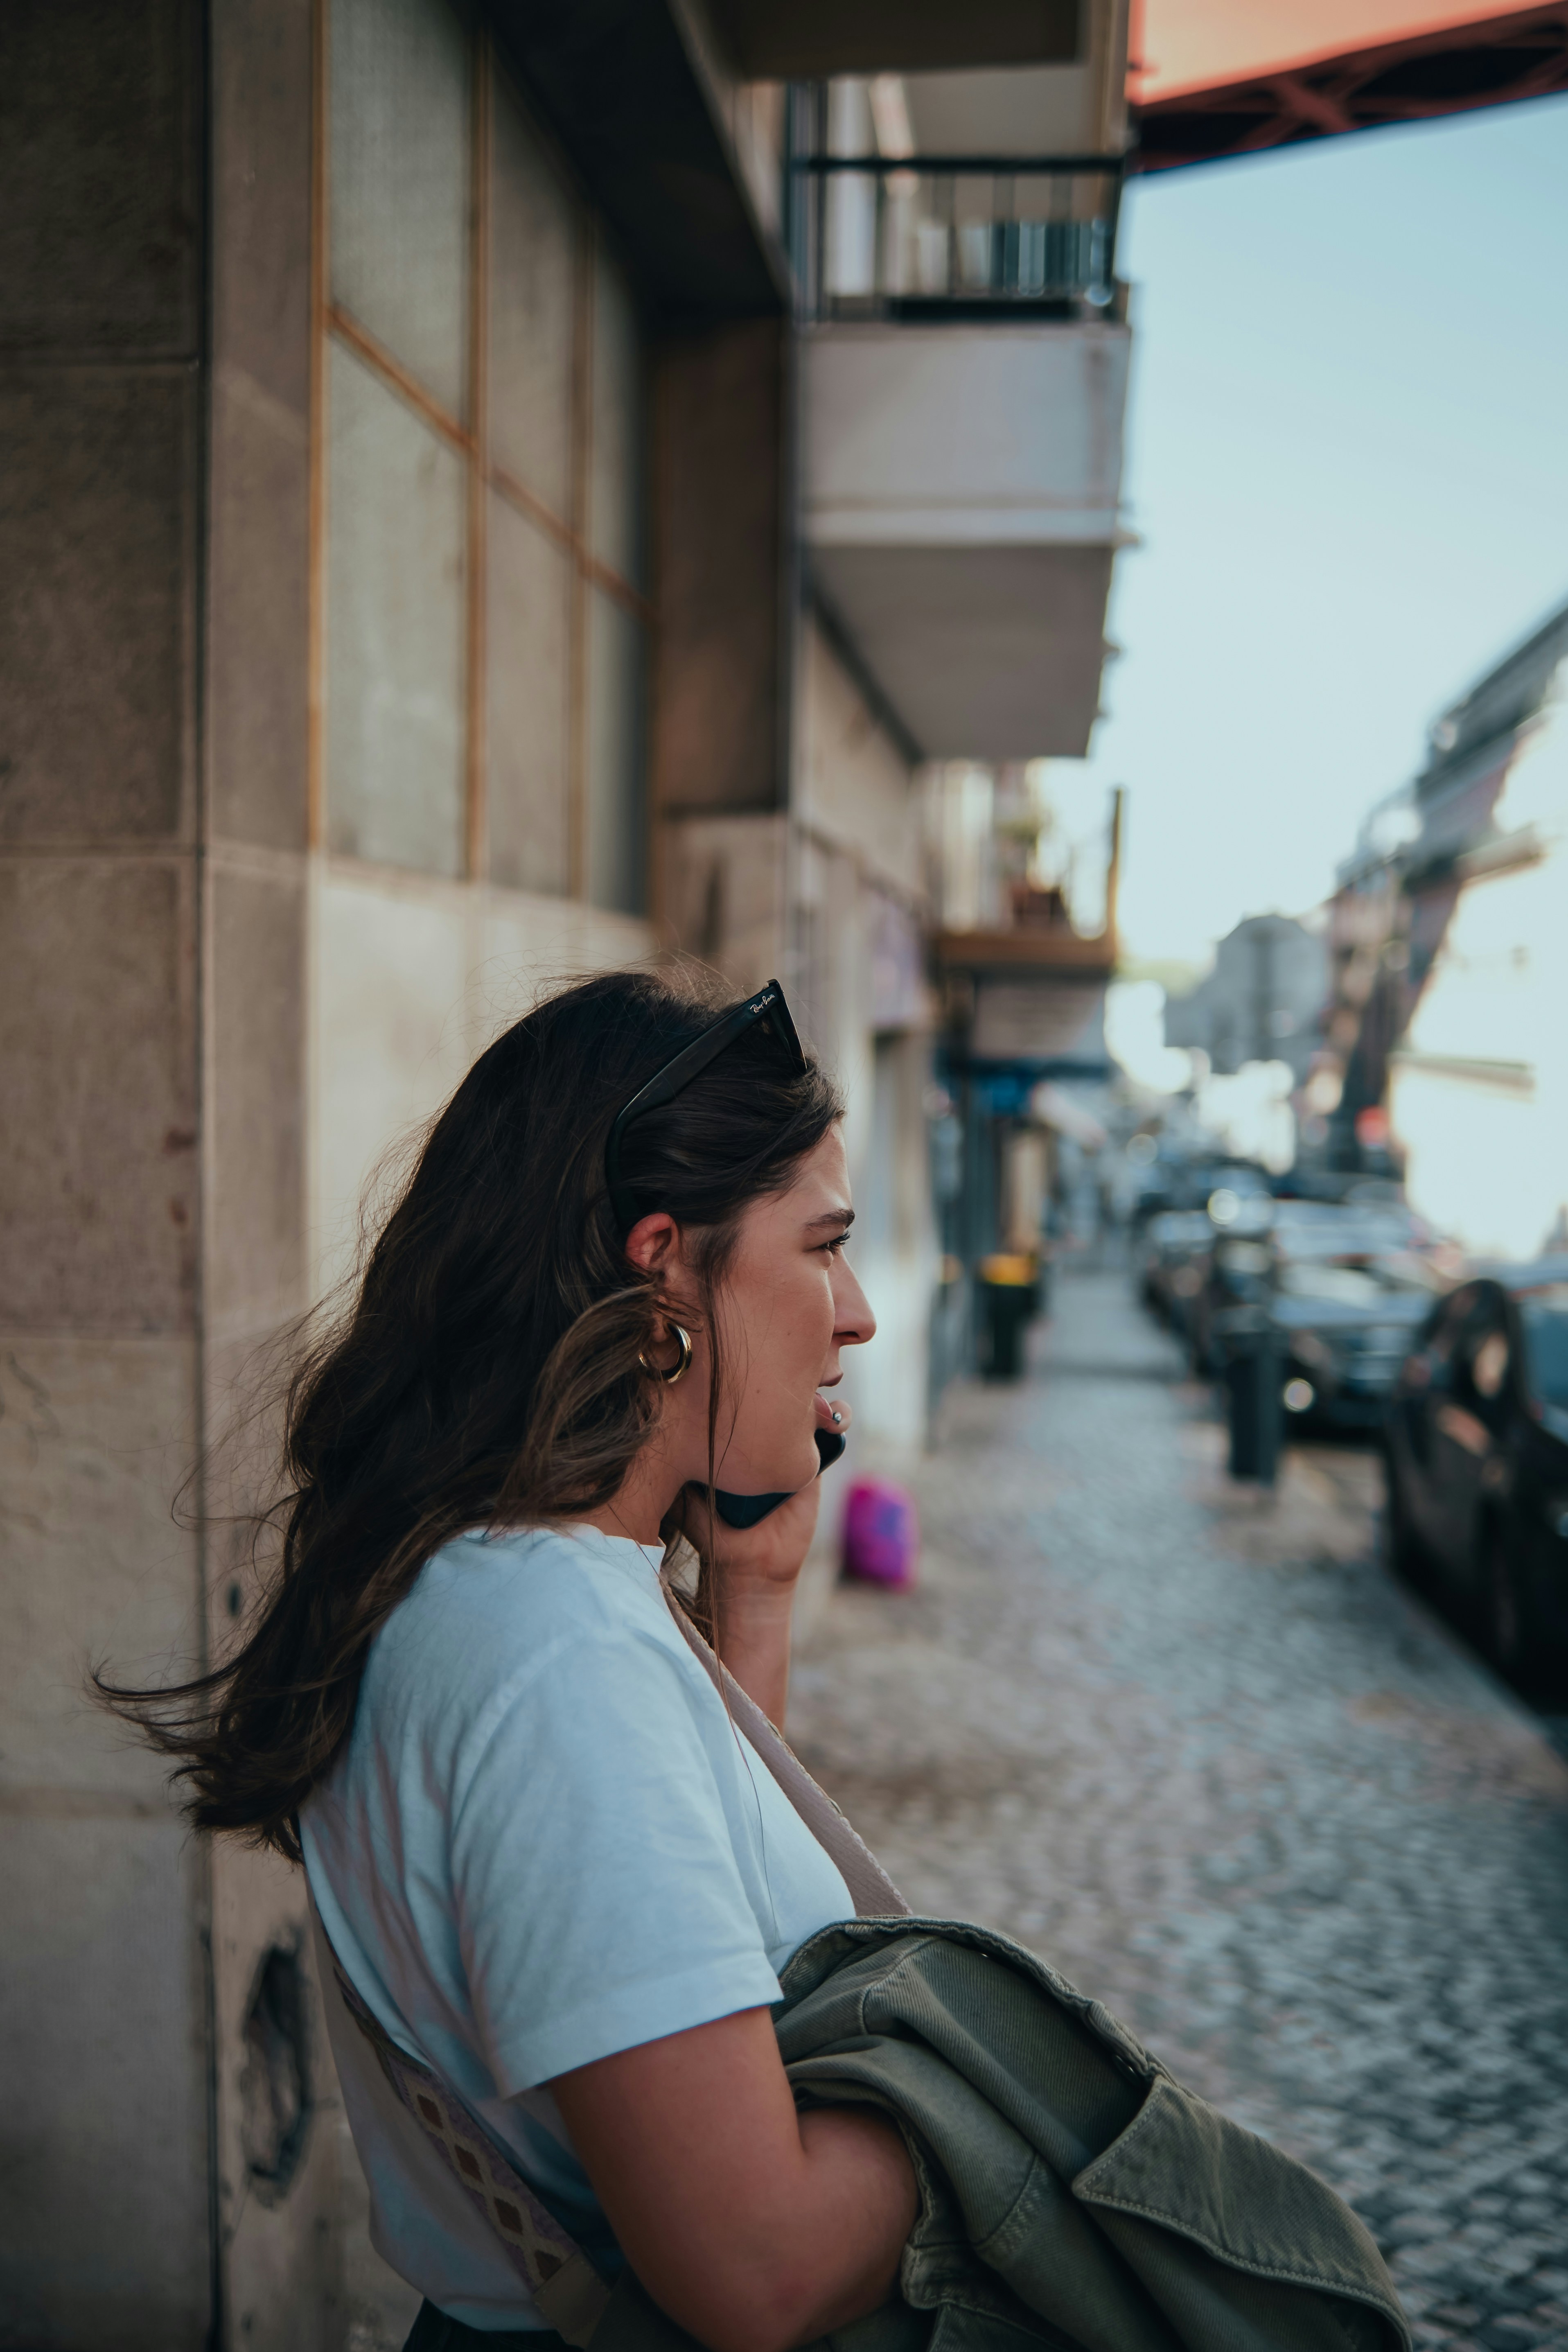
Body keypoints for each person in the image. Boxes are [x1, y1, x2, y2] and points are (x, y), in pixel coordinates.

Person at [101, 970, 918, 2352]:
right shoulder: (555, 1663)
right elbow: (756, 2266)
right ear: (664, 1260)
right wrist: (994, 2116)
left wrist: (753, 1602)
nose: (855, 1314)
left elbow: (687, 1924)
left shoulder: (499, 1586)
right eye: (821, 1247)